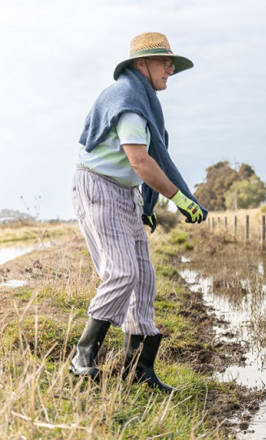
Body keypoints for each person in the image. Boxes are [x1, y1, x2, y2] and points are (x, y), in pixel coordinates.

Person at [70, 32, 207, 393]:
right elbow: (140, 160)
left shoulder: (144, 102)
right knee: (122, 272)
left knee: (143, 279)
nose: (170, 69)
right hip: (99, 187)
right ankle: (82, 356)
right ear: (140, 64)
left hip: (123, 192)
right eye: (164, 62)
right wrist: (180, 198)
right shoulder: (128, 102)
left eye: (172, 63)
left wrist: (146, 205)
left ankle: (137, 370)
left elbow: (141, 165)